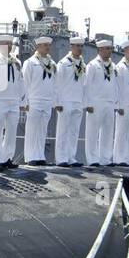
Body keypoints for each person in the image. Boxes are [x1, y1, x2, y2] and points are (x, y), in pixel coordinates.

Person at [0, 34, 25, 171]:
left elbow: (21, 81)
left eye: (10, 43)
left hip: (13, 101)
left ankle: (7, 158)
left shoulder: (16, 61)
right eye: (5, 43)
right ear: (0, 44)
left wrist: (22, 100)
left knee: (11, 131)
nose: (8, 46)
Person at [22, 37, 58, 165]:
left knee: (42, 130)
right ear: (38, 47)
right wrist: (24, 102)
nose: (47, 47)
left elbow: (54, 84)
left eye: (49, 45)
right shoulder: (30, 62)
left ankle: (39, 156)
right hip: (34, 100)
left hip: (47, 101)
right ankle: (30, 157)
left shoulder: (52, 63)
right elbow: (24, 83)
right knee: (32, 130)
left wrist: (54, 101)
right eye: (44, 45)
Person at [83, 40, 119, 166]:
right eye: (107, 48)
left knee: (108, 132)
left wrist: (116, 103)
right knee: (92, 132)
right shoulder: (92, 65)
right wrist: (88, 103)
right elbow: (87, 85)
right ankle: (92, 159)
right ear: (100, 50)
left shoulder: (113, 66)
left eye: (110, 48)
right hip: (96, 102)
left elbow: (115, 86)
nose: (110, 51)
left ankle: (105, 158)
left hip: (109, 102)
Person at [54, 36, 87, 166]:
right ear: (71, 47)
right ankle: (61, 158)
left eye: (81, 46)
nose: (80, 48)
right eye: (77, 46)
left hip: (78, 101)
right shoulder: (63, 63)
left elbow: (84, 85)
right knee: (63, 130)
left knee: (74, 131)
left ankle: (71, 157)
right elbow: (57, 83)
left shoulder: (83, 65)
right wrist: (57, 102)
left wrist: (84, 102)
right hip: (65, 101)